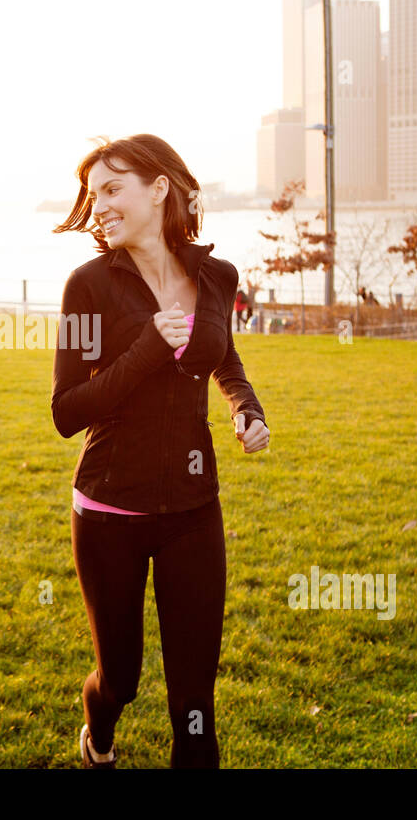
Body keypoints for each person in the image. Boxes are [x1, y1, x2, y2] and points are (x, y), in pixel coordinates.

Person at [50, 134, 270, 768]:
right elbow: (67, 413)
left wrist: (245, 410)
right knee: (120, 680)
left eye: (112, 191)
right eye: (94, 197)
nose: (100, 208)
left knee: (194, 706)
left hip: (194, 513)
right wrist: (146, 349)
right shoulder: (87, 286)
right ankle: (99, 733)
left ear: (160, 189)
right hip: (110, 512)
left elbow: (224, 360)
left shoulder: (216, 277)